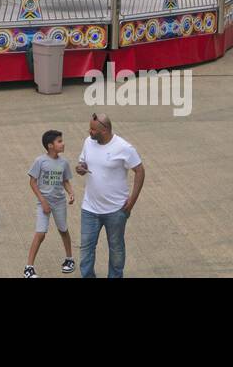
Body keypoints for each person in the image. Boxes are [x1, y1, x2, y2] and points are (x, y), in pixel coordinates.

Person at [75, 113, 145, 279]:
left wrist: (132, 201)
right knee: (86, 249)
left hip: (116, 210)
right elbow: (82, 162)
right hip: (89, 208)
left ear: (104, 130)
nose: (89, 132)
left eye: (93, 129)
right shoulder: (88, 142)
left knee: (116, 248)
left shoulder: (123, 147)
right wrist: (81, 167)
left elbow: (140, 170)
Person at [24, 129, 76, 278]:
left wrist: (71, 192)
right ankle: (29, 267)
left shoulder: (64, 162)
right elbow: (32, 182)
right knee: (40, 233)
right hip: (44, 202)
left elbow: (65, 180)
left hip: (59, 202)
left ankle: (69, 259)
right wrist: (43, 201)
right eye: (59, 141)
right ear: (50, 145)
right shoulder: (40, 161)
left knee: (63, 230)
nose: (63, 143)